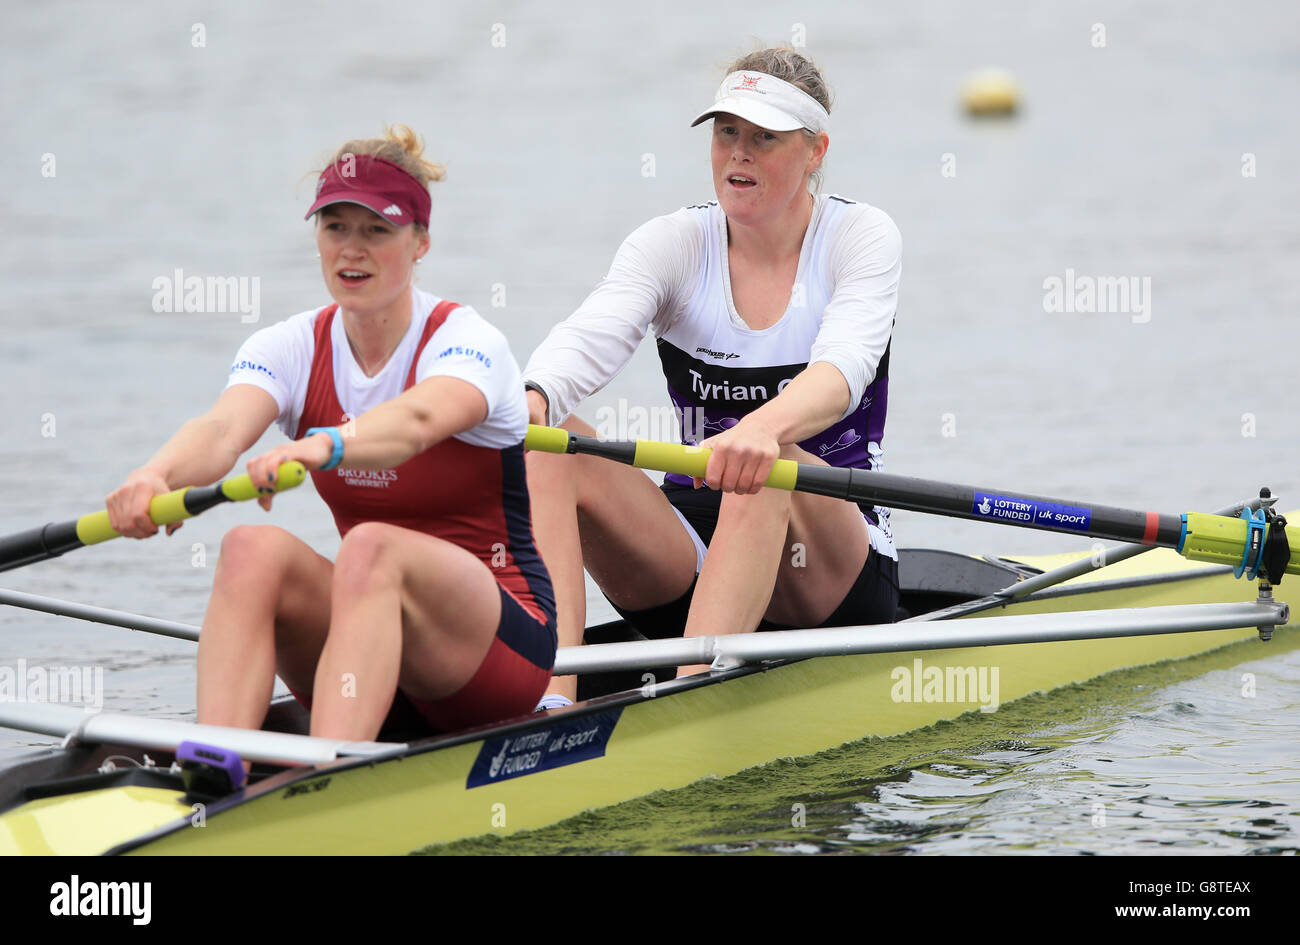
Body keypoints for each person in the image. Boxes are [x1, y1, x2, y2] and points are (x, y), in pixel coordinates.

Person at [106, 126, 555, 741]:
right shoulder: (290, 346)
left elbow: (420, 420)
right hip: (366, 649)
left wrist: (325, 443)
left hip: (493, 656)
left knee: (370, 546)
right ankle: (215, 765)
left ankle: (324, 778)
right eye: (335, 227)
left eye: (378, 230)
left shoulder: (467, 341)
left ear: (420, 242)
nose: (353, 250)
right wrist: (154, 475)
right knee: (249, 546)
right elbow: (219, 430)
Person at [523, 48, 900, 706]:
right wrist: (531, 397)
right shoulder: (671, 244)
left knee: (771, 458)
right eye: (727, 132)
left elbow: (842, 370)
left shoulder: (858, 236)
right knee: (553, 441)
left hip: (831, 570)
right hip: (692, 548)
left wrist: (757, 430)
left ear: (816, 151)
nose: (738, 155)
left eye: (764, 138)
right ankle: (552, 701)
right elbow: (591, 334)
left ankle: (688, 704)